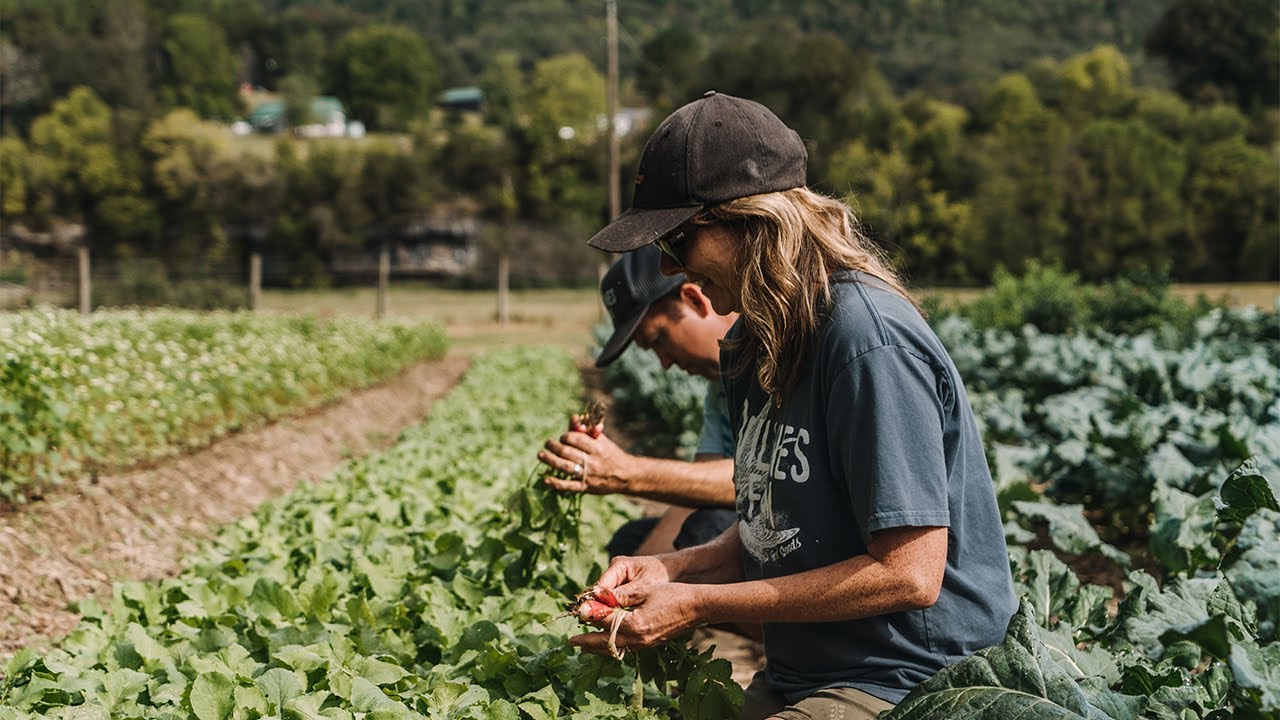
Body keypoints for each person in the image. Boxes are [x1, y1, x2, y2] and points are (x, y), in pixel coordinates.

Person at [569, 90, 1018, 720]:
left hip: (910, 676)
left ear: (750, 220)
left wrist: (700, 605)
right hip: (808, 667)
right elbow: (768, 530)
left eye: (677, 244)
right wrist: (672, 569)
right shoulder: (755, 339)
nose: (671, 270)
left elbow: (910, 574)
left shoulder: (865, 341)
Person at [539, 244, 740, 556]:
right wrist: (624, 580)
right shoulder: (719, 383)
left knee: (708, 528)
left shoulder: (772, 360)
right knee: (630, 542)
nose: (664, 363)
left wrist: (627, 472)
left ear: (694, 300)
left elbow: (759, 482)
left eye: (660, 339)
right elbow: (704, 486)